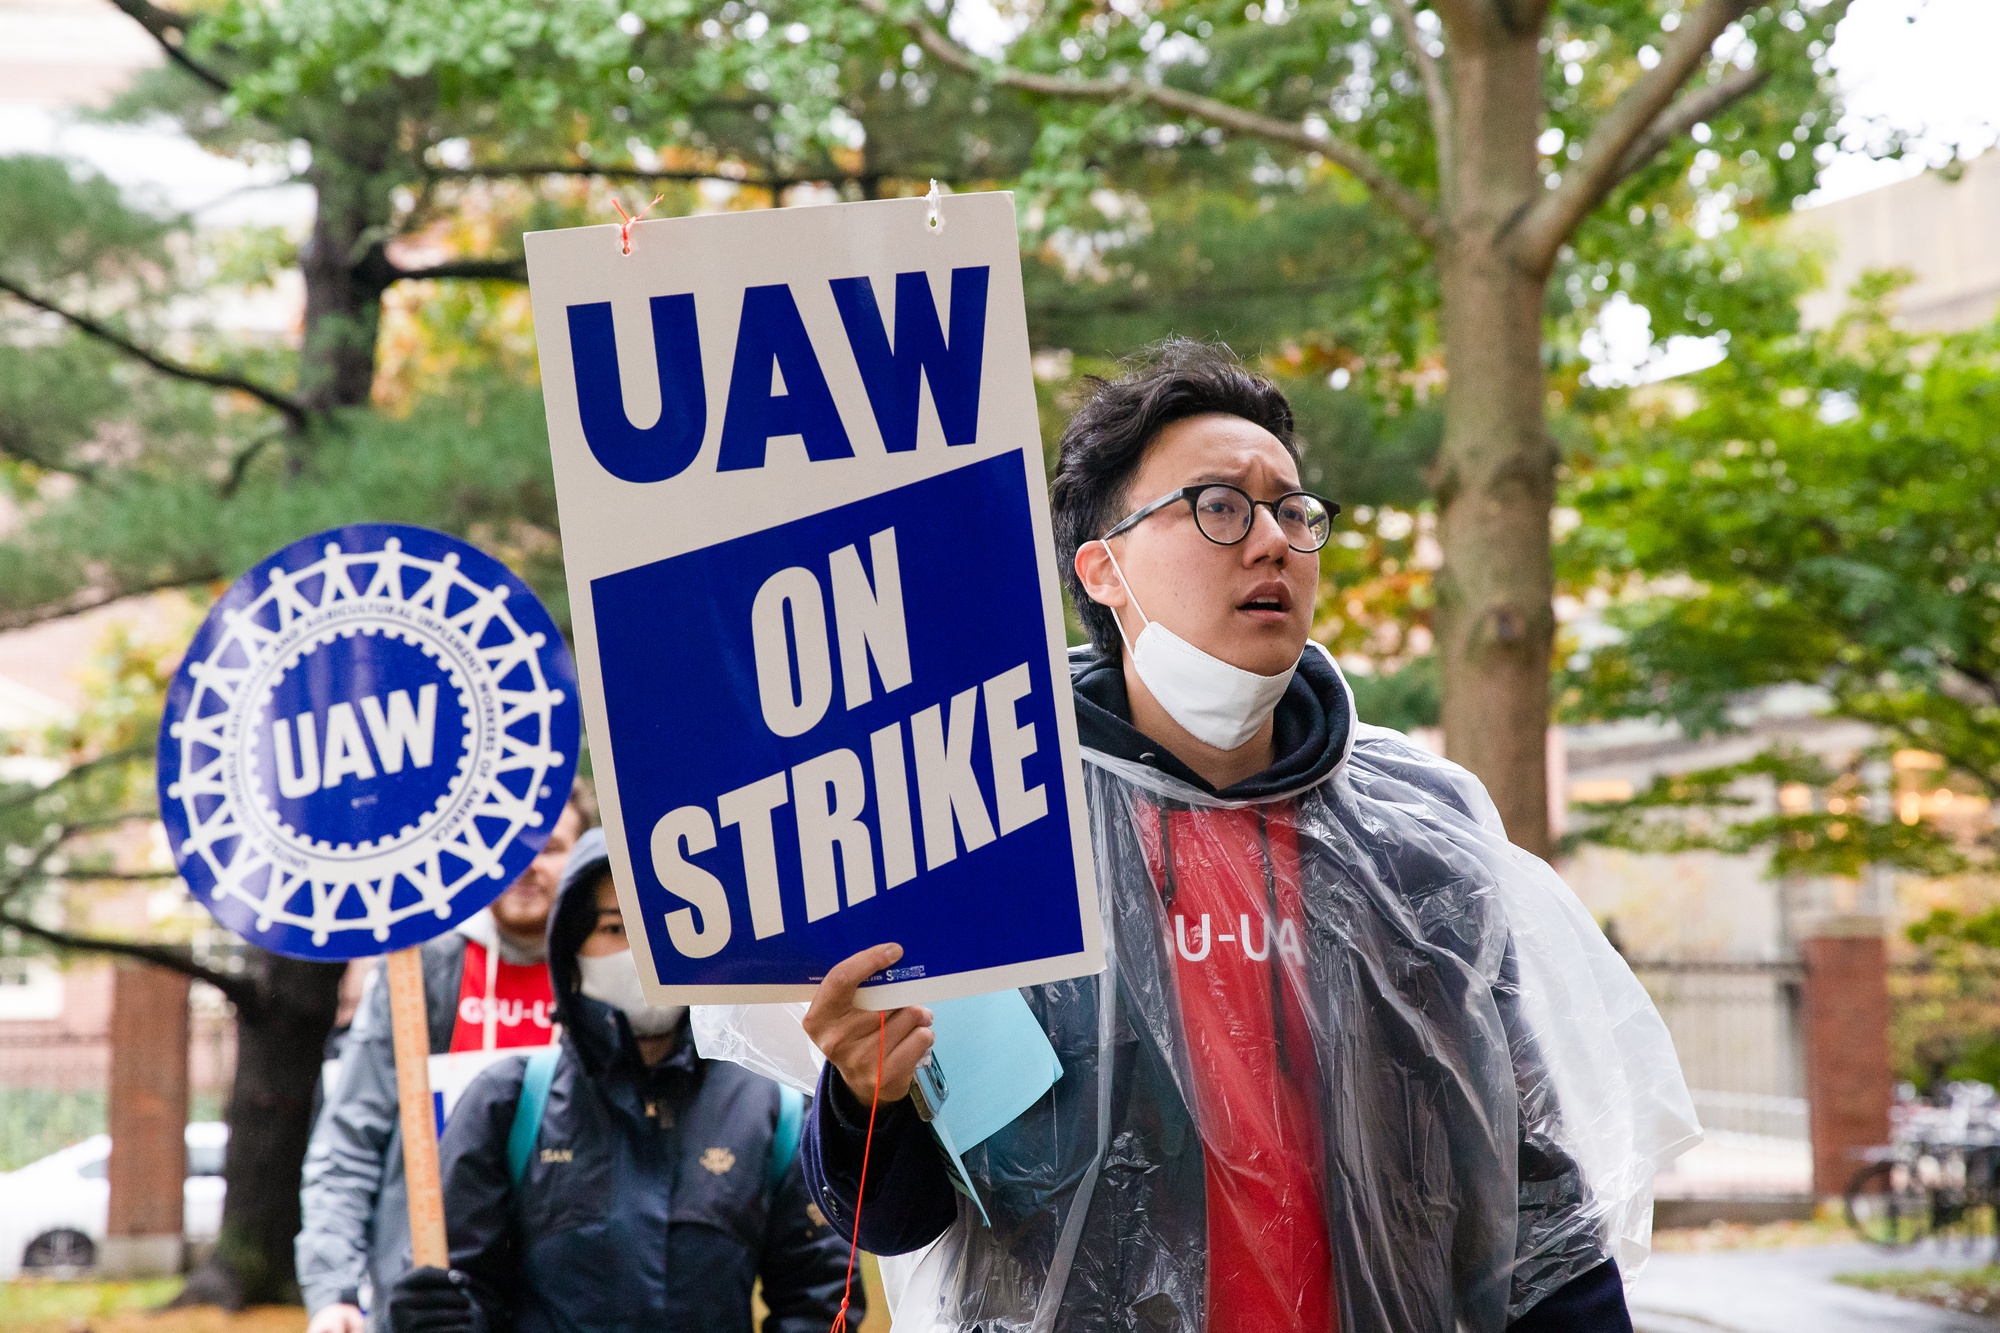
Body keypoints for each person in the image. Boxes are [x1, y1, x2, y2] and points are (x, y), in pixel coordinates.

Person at [795, 341, 1695, 1333]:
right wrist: (862, 1098)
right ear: (1103, 569)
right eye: (1217, 506)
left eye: (1290, 510)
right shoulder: (996, 838)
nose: (1269, 540)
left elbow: (1527, 1200)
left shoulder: (1415, 846)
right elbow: (895, 1217)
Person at [382, 828, 856, 1333]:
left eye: (665, 928)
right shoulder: (508, 1103)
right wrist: (428, 1319)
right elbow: (464, 1288)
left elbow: (818, 1302)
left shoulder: (774, 1109)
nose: (642, 954)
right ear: (570, 950)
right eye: (615, 929)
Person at [299, 795, 587, 1333]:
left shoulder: (604, 982)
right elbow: (350, 1141)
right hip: (424, 1304)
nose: (527, 864)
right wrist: (331, 1291)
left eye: (549, 848)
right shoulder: (422, 973)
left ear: (585, 857)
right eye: (510, 843)